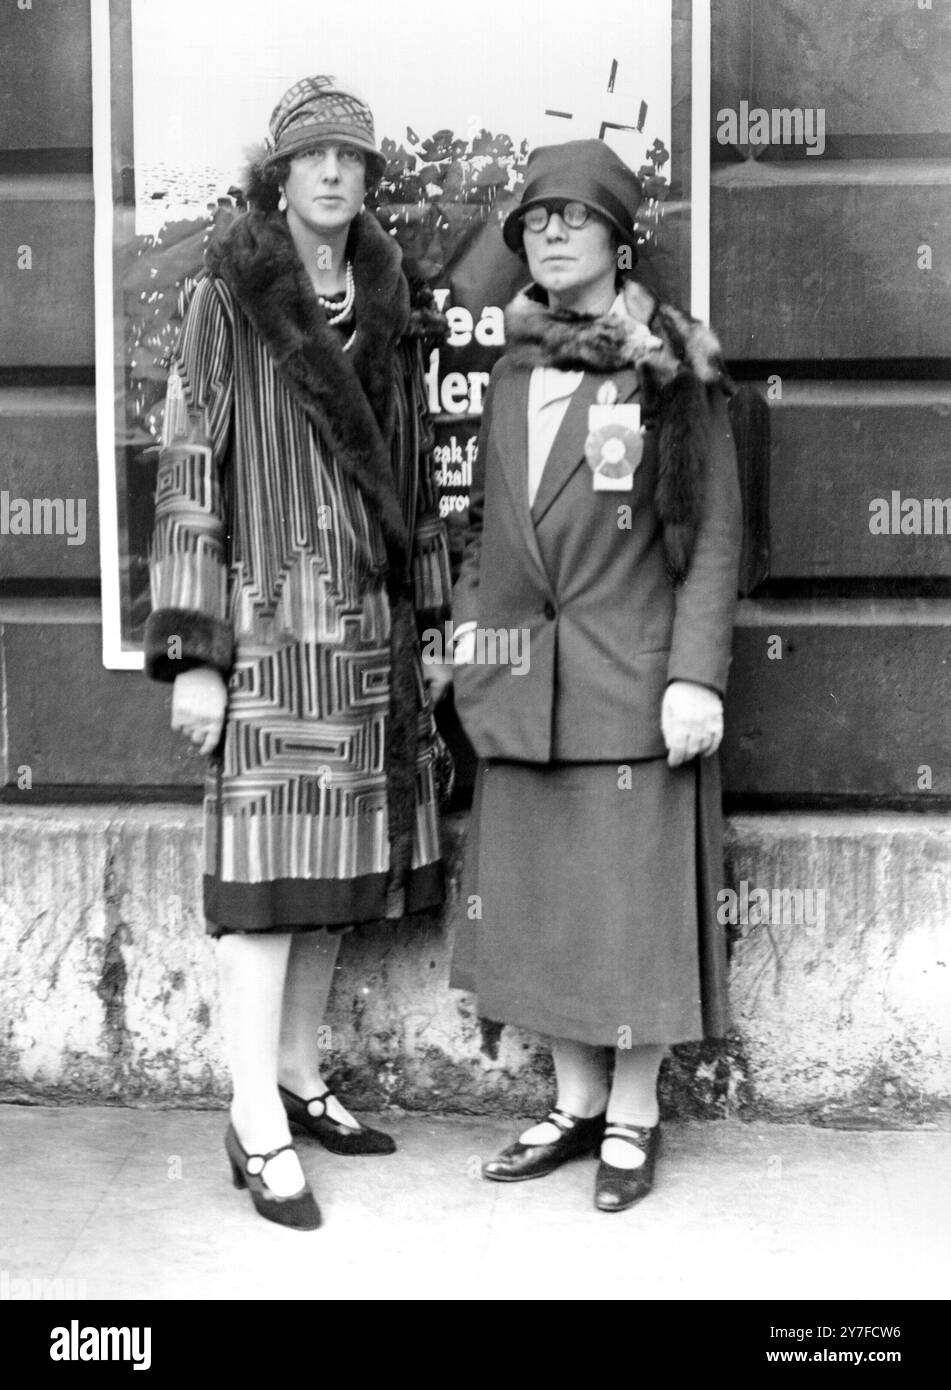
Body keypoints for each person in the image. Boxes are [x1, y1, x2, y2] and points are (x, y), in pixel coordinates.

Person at [145, 76, 450, 1230]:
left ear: (370, 179)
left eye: (352, 158)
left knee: (331, 888)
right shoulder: (229, 293)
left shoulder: (388, 296)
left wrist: (428, 622)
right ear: (280, 174)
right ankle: (251, 1120)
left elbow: (412, 473)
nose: (333, 173)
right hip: (271, 634)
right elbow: (187, 466)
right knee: (267, 891)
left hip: (367, 636)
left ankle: (295, 1073)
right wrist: (196, 652)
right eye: (312, 156)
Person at [449, 139, 742, 1212]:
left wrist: (696, 678)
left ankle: (632, 1111)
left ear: (620, 239)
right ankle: (575, 1105)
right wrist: (476, 658)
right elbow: (488, 532)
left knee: (626, 911)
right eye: (535, 220)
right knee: (544, 909)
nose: (553, 233)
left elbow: (713, 533)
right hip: (522, 684)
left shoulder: (671, 362)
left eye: (576, 217)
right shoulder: (515, 369)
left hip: (632, 682)